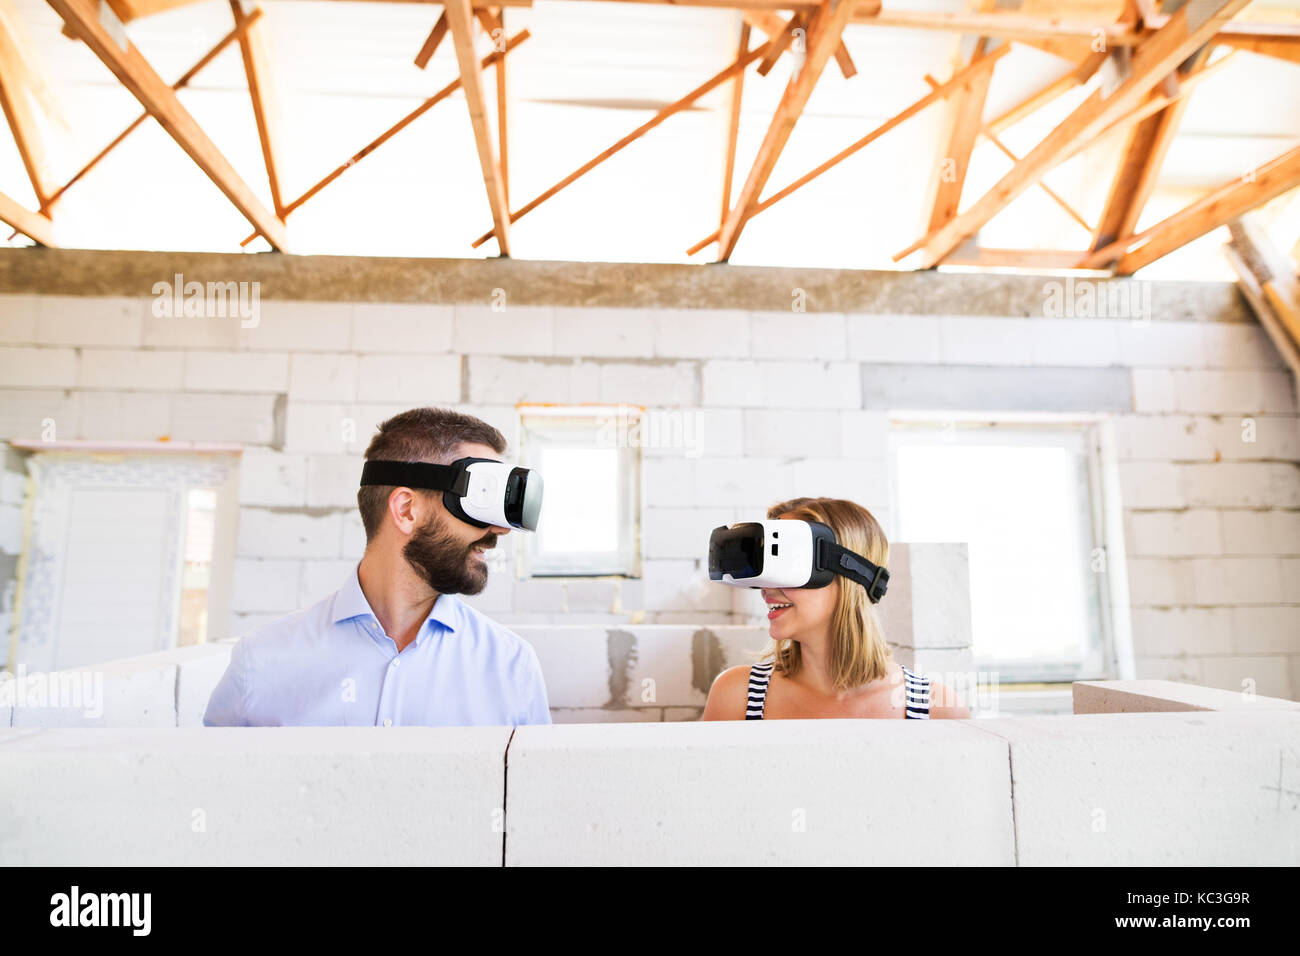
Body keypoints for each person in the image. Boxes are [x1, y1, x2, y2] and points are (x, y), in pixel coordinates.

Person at [204, 407, 551, 727]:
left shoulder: (511, 667)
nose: (500, 530)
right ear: (406, 510)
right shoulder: (262, 663)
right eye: (481, 503)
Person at [702, 496, 968, 720]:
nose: (767, 590)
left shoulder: (938, 709)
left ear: (849, 575)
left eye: (789, 566)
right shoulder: (735, 696)